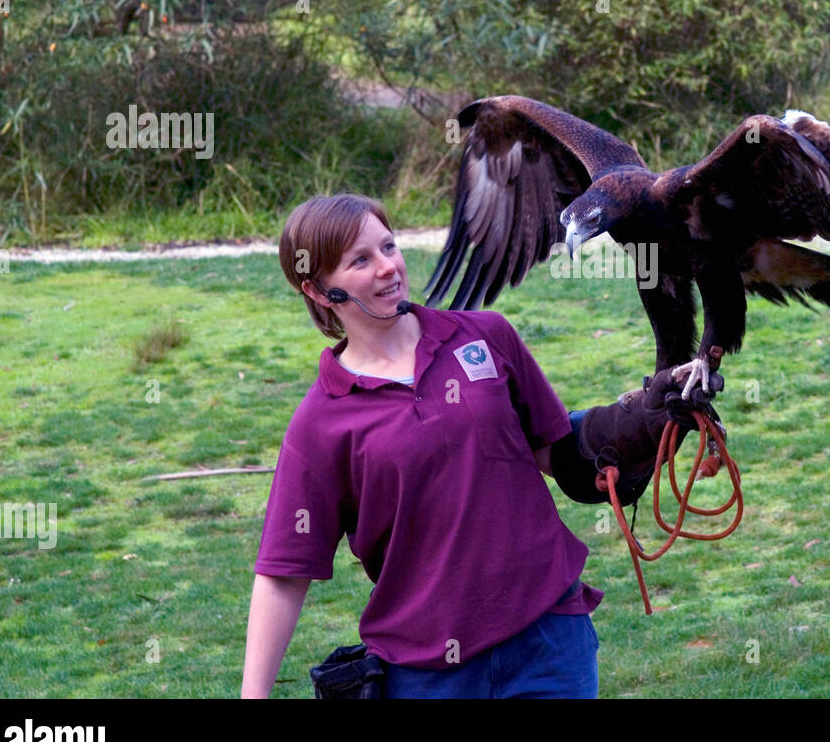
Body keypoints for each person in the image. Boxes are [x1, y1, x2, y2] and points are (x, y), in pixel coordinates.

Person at [240, 193, 718, 699]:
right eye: (361, 260)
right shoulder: (322, 420)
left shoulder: (485, 337)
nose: (388, 268)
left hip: (548, 642)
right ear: (317, 290)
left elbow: (557, 452)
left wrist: (640, 425)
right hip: (425, 671)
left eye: (389, 247)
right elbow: (283, 572)